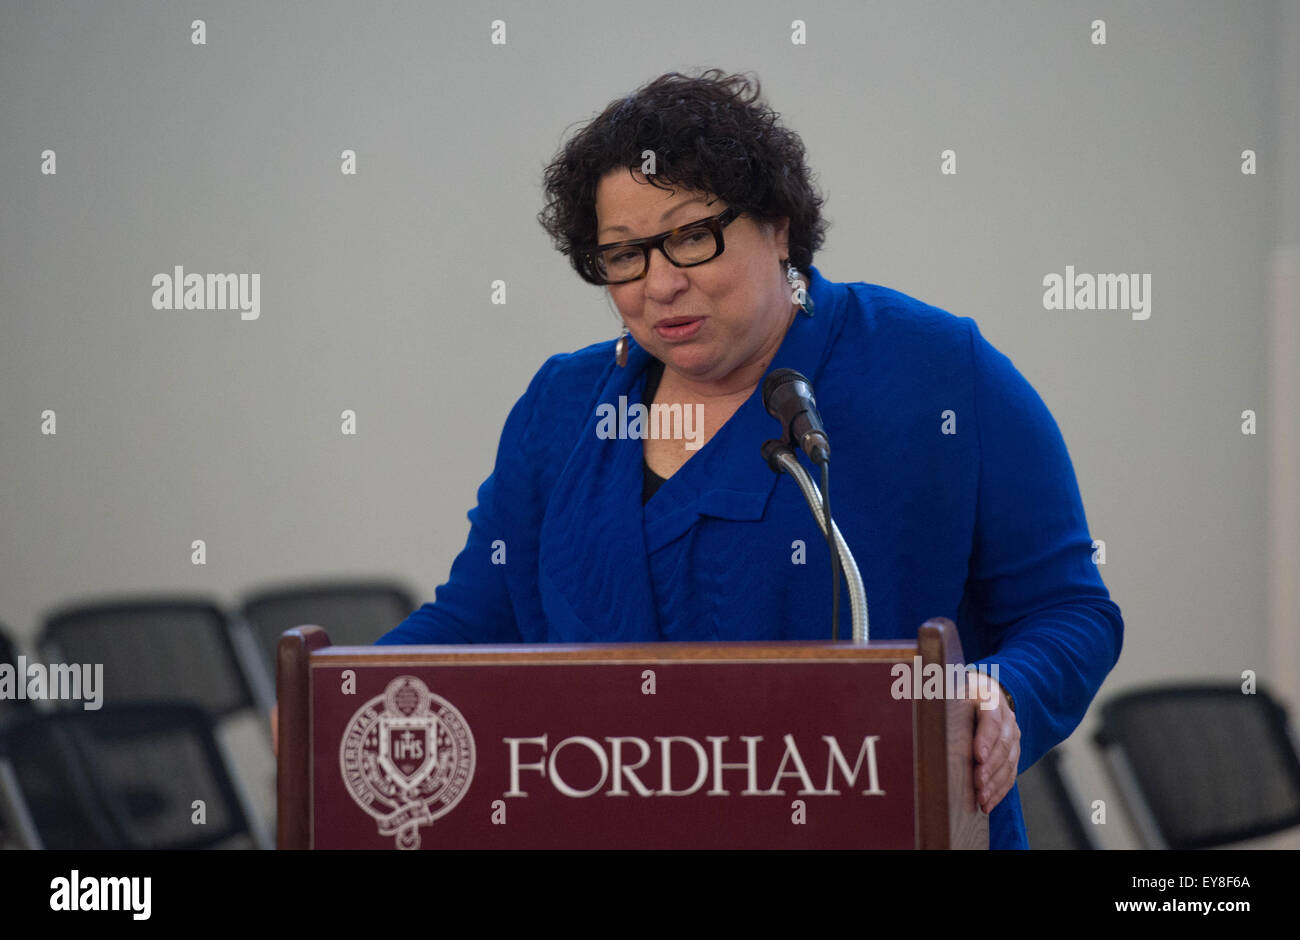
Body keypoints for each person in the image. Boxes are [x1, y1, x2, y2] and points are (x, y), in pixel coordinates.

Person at [373, 68, 1124, 849]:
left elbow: (1071, 612)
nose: (660, 284)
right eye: (623, 256)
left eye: (692, 238)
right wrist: (345, 697)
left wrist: (998, 696)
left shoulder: (937, 371)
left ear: (778, 224)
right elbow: (476, 623)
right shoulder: (563, 411)